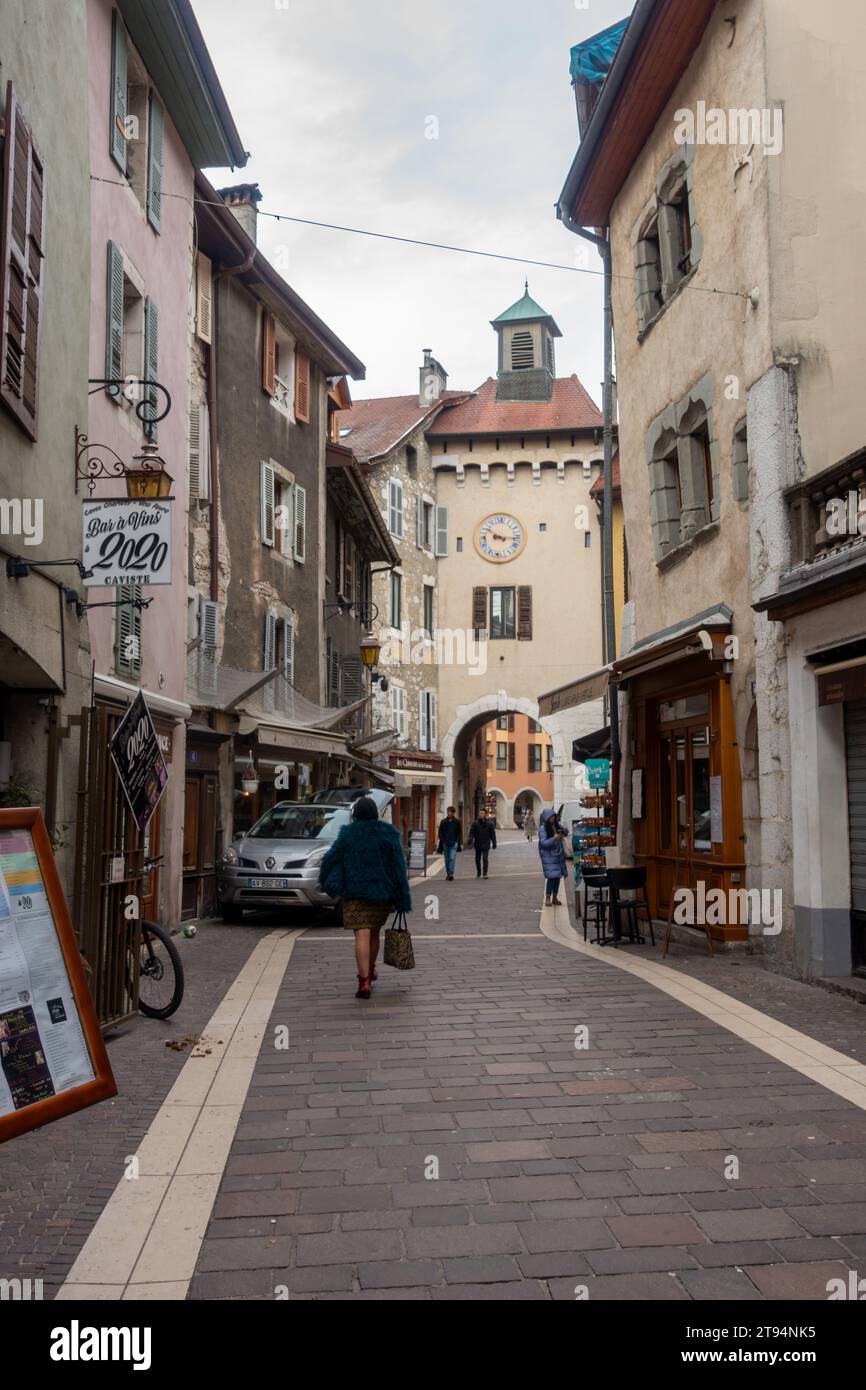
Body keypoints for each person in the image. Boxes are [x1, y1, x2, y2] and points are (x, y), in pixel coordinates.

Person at [317, 796, 412, 1000]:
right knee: (375, 933)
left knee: (361, 933)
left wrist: (325, 880)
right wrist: (402, 898)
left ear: (356, 815)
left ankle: (364, 982)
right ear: (375, 814)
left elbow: (330, 859)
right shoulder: (388, 834)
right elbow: (398, 868)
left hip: (354, 892)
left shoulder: (348, 834)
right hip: (381, 894)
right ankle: (370, 969)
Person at [538, 808, 568, 906]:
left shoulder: (556, 826)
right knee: (551, 877)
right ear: (546, 818)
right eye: (551, 817)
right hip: (549, 856)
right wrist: (554, 838)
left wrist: (563, 829)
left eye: (554, 816)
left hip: (558, 855)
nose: (553, 818)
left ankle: (555, 898)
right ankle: (547, 898)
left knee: (557, 877)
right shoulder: (543, 828)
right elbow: (543, 843)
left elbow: (566, 833)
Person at [467, 810, 497, 878]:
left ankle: (485, 873)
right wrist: (470, 838)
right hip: (478, 843)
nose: (481, 814)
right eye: (480, 813)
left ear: (485, 814)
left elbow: (493, 834)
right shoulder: (475, 823)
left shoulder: (490, 823)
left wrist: (494, 843)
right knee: (477, 859)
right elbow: (472, 832)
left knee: (485, 858)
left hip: (486, 843)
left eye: (482, 813)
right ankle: (479, 871)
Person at [436, 806, 462, 881]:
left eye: (450, 812)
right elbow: (440, 832)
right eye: (448, 811)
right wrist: (443, 840)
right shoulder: (443, 821)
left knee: (452, 858)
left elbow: (459, 832)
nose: (449, 813)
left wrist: (457, 841)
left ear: (453, 813)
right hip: (445, 843)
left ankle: (451, 874)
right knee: (447, 859)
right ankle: (448, 873)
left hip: (454, 843)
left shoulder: (457, 821)